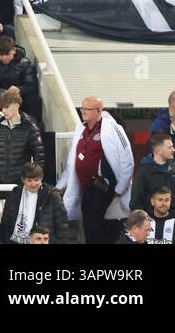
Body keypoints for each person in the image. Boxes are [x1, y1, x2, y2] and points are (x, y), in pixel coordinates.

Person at [57, 96, 135, 244]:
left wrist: (119, 189)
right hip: (85, 186)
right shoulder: (81, 130)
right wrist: (60, 185)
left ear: (99, 110)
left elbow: (127, 161)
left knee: (93, 224)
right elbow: (71, 163)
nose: (83, 112)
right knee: (89, 225)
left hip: (102, 185)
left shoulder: (113, 129)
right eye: (82, 108)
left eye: (87, 109)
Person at [2, 161, 69, 244]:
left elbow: (62, 226)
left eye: (36, 180)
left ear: (41, 178)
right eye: (29, 180)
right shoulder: (14, 195)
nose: (33, 184)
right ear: (23, 180)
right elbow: (6, 224)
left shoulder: (52, 196)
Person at [132, 131, 175, 221]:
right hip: (151, 226)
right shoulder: (143, 172)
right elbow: (135, 203)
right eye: (170, 147)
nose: (174, 150)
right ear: (159, 151)